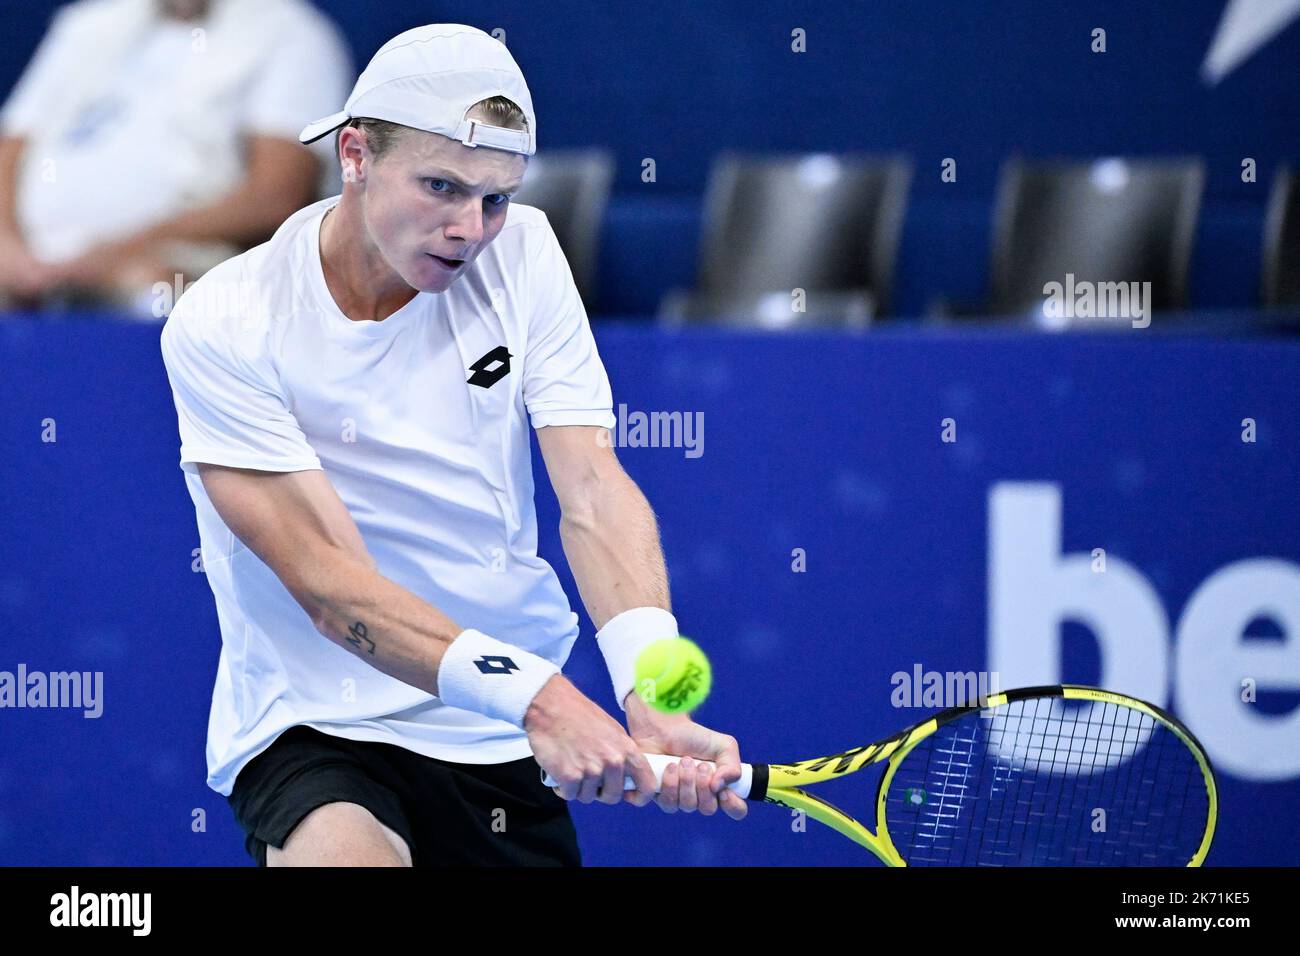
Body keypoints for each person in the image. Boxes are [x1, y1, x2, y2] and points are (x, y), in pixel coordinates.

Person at [159, 23, 746, 867]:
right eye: (441, 186)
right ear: (354, 155)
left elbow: (590, 490)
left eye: (497, 198)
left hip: (494, 740)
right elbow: (332, 590)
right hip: (320, 722)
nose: (470, 228)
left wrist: (652, 688)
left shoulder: (528, 258)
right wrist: (543, 698)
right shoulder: (226, 321)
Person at [0, 0, 350, 312]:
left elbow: (274, 196)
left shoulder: (291, 34)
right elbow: (11, 146)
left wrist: (114, 254)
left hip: (176, 262)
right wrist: (8, 246)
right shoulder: (86, 24)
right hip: (30, 264)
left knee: (155, 290)